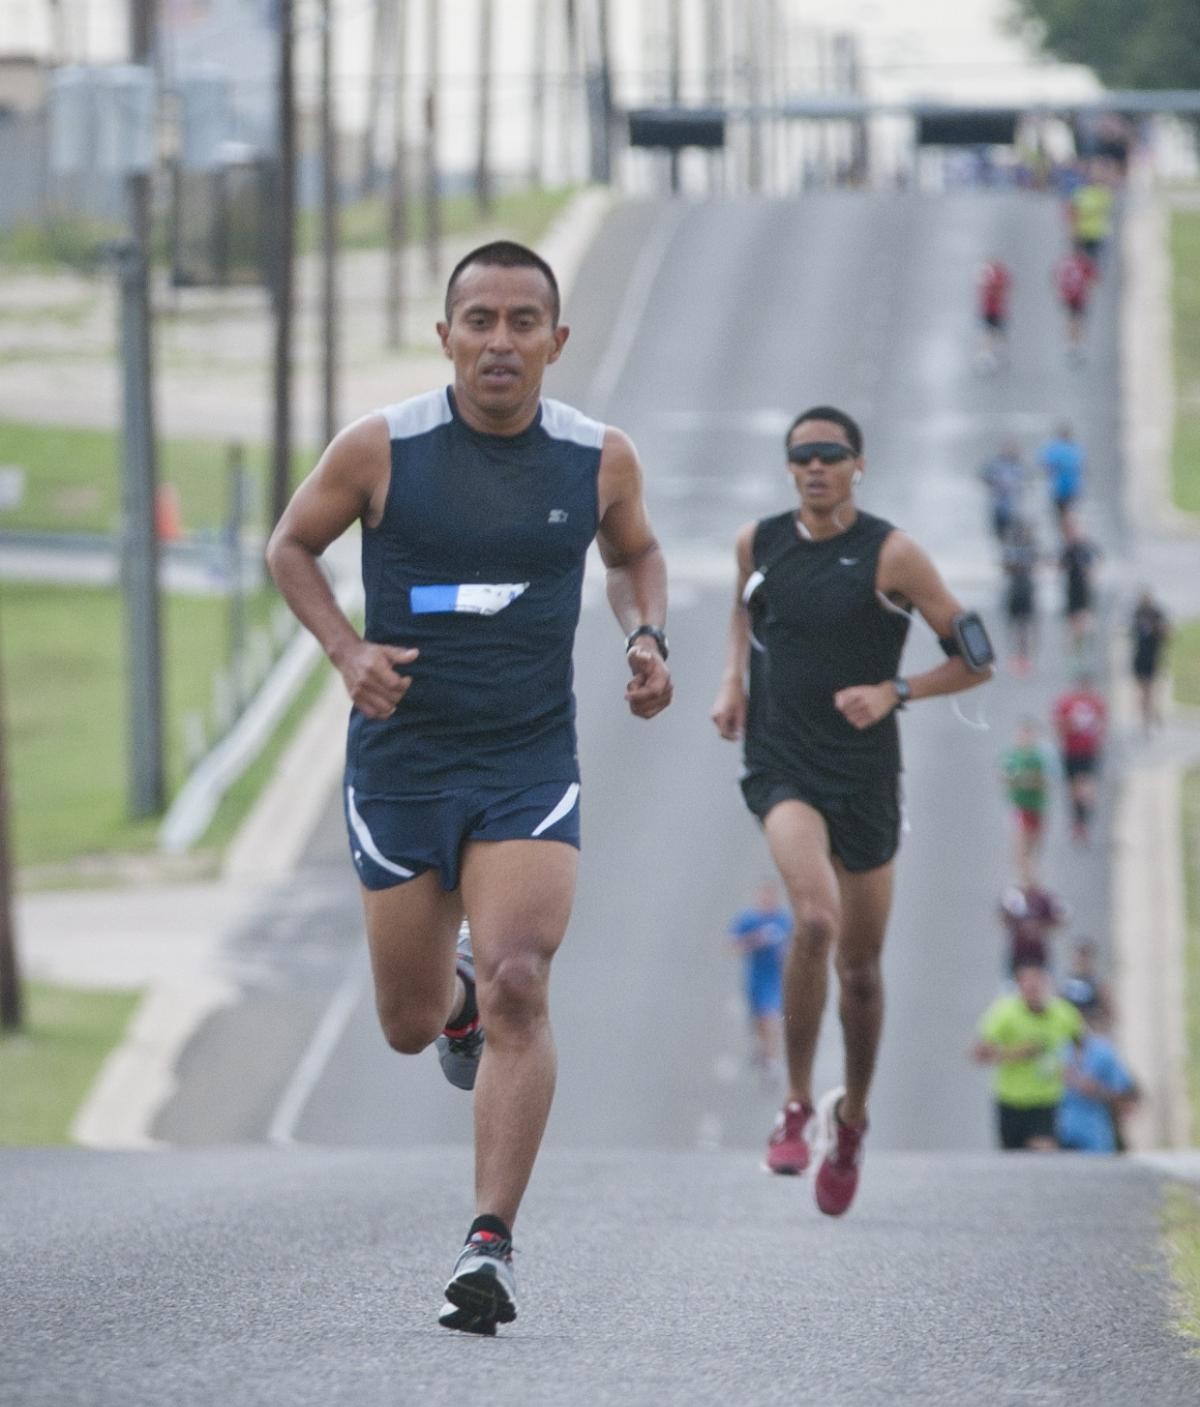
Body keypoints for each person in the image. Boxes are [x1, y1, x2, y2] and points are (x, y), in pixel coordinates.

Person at [266, 239, 672, 1335]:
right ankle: (453, 1014)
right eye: (479, 320)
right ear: (445, 334)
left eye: (522, 322)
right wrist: (349, 654)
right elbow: (291, 547)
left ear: (556, 339)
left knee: (523, 981)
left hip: (526, 765)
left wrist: (648, 637)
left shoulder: (597, 458)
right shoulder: (380, 449)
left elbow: (636, 554)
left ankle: (488, 1245)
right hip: (402, 766)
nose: (501, 341)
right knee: (406, 1022)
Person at [710, 404, 992, 1213]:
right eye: (802, 457)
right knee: (816, 922)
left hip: (865, 777)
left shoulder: (891, 553)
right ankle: (796, 1107)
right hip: (781, 763)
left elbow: (976, 657)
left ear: (857, 465)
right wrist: (733, 680)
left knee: (861, 974)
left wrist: (896, 690)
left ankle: (853, 1118)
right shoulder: (756, 543)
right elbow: (744, 606)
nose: (816, 467)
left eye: (831, 455)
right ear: (789, 468)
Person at [972, 962, 1084, 1152]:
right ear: (1020, 987)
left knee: (1042, 1152)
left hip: (1045, 1099)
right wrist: (1016, 1053)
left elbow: (1082, 1042)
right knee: (1014, 1159)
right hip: (1010, 1099)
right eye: (1028, 986)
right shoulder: (1005, 1014)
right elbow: (979, 1054)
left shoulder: (1064, 1014)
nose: (1034, 991)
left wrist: (1073, 1066)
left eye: (1038, 985)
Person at [729, 881, 793, 1079]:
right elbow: (731, 945)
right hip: (755, 976)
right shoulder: (749, 920)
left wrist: (786, 952)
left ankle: (771, 1060)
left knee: (769, 1017)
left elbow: (799, 945)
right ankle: (762, 1049)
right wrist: (756, 940)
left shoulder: (784, 921)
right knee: (757, 1019)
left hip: (775, 978)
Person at [1057, 1001, 1139, 1153]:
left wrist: (1095, 1089)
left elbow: (1124, 1092)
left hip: (1095, 1131)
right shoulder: (1057, 1049)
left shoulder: (1103, 1052)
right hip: (1059, 1129)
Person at [1052, 674, 1107, 845]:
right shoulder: (1067, 703)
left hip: (1087, 752)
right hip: (1071, 751)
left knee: (1084, 788)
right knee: (1073, 789)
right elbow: (1058, 725)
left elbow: (1102, 726)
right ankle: (1078, 821)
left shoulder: (1094, 703)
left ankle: (1082, 821)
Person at [1001, 718, 1053, 884]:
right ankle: (1026, 882)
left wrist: (1025, 780)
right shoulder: (1012, 757)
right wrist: (1025, 780)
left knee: (1034, 849)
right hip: (1020, 808)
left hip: (1037, 807)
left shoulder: (1040, 758)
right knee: (1020, 849)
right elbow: (1006, 779)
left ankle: (1031, 882)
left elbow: (1045, 782)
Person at [999, 880, 1068, 976]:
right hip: (1017, 953)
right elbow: (1001, 921)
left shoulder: (1044, 899)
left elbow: (1059, 922)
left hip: (1039, 954)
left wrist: (1040, 927)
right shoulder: (1012, 897)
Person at [1059, 515, 1101, 663]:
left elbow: (1096, 560)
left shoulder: (1086, 547)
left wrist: (1090, 573)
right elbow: (1061, 565)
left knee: (1084, 617)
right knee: (1073, 619)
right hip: (1073, 587)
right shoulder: (1069, 549)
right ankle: (1073, 648)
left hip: (1083, 588)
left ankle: (1086, 644)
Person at [1000, 516, 1039, 674]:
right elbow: (1006, 567)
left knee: (1024, 626)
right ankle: (1017, 656)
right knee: (1015, 626)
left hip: (1025, 589)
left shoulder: (1030, 547)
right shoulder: (1011, 548)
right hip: (1015, 589)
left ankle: (1024, 657)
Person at [1130, 589, 1170, 734]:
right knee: (1143, 691)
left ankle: (1152, 715)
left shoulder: (1156, 614)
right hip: (1141, 657)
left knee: (1151, 690)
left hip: (1152, 657)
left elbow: (1166, 634)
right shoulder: (1137, 614)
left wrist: (1158, 629)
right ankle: (1146, 719)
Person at [1054, 247, 1097, 362]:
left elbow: (1056, 278)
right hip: (1079, 296)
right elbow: (1092, 278)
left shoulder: (1064, 264)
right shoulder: (1082, 264)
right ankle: (1076, 346)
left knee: (1071, 321)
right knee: (1078, 321)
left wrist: (1059, 292)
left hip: (1068, 296)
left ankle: (1071, 346)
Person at [980, 441, 1027, 543]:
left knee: (1013, 533)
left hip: (1014, 507)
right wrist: (996, 483)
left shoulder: (1018, 466)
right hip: (998, 506)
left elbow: (1023, 485)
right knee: (999, 534)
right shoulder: (995, 465)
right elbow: (984, 478)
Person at [1038, 424, 1085, 524]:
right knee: (1064, 515)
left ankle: (1069, 533)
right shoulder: (1059, 448)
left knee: (1068, 515)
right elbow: (1046, 465)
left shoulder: (1074, 448)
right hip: (1061, 488)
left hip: (1069, 488)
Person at [1061, 935, 1114, 1019]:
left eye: (1084, 957)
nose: (1081, 960)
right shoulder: (1065, 983)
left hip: (1092, 1025)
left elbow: (1109, 1011)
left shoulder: (1099, 985)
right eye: (1078, 956)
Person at [976, 258, 1012, 371]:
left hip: (997, 310)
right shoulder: (988, 275)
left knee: (997, 333)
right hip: (989, 310)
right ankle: (986, 355)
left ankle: (993, 354)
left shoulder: (998, 276)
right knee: (988, 333)